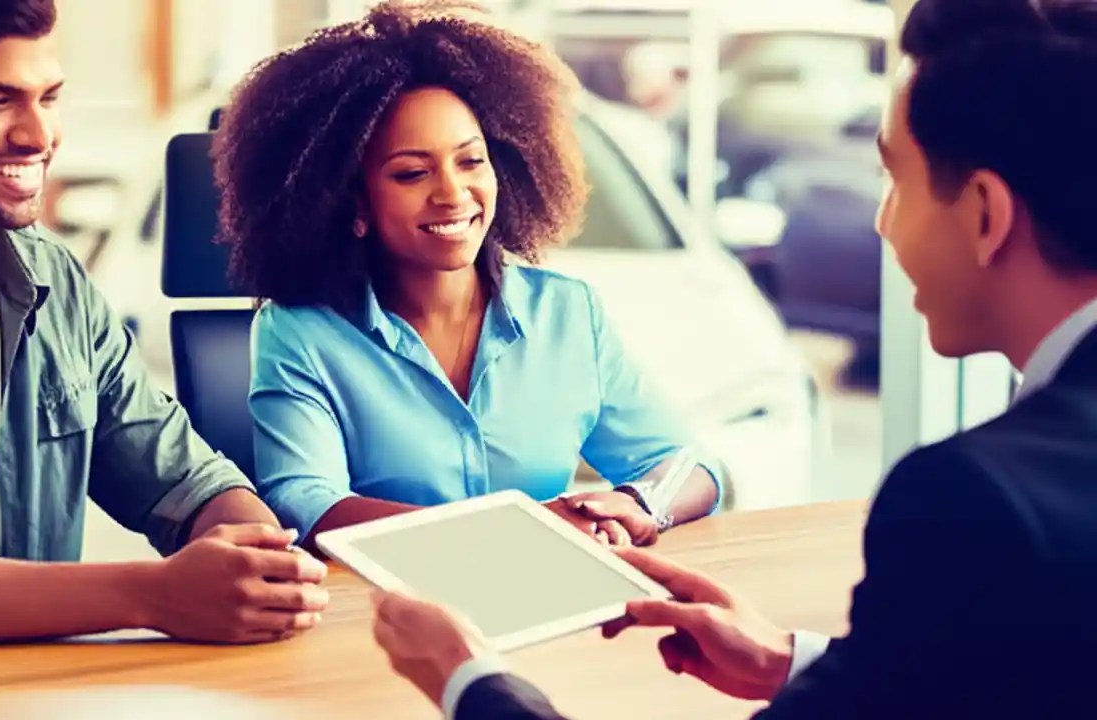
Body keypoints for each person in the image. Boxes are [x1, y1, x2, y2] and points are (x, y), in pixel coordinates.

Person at [373, 0, 1097, 717]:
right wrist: (792, 662)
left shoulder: (971, 501)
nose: (882, 222)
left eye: (896, 181)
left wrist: (469, 680)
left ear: (985, 214)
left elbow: (687, 461)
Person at [0, 0, 328, 646]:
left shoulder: (54, 282)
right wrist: (154, 596)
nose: (39, 135)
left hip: (39, 687)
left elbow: (190, 482)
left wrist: (256, 558)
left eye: (49, 97)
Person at [214, 1, 723, 553]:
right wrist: (515, 534)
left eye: (471, 161)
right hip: (387, 600)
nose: (453, 193)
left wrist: (638, 504)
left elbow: (687, 463)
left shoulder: (568, 314)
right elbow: (306, 504)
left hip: (550, 592)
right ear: (352, 201)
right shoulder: (300, 332)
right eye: (412, 173)